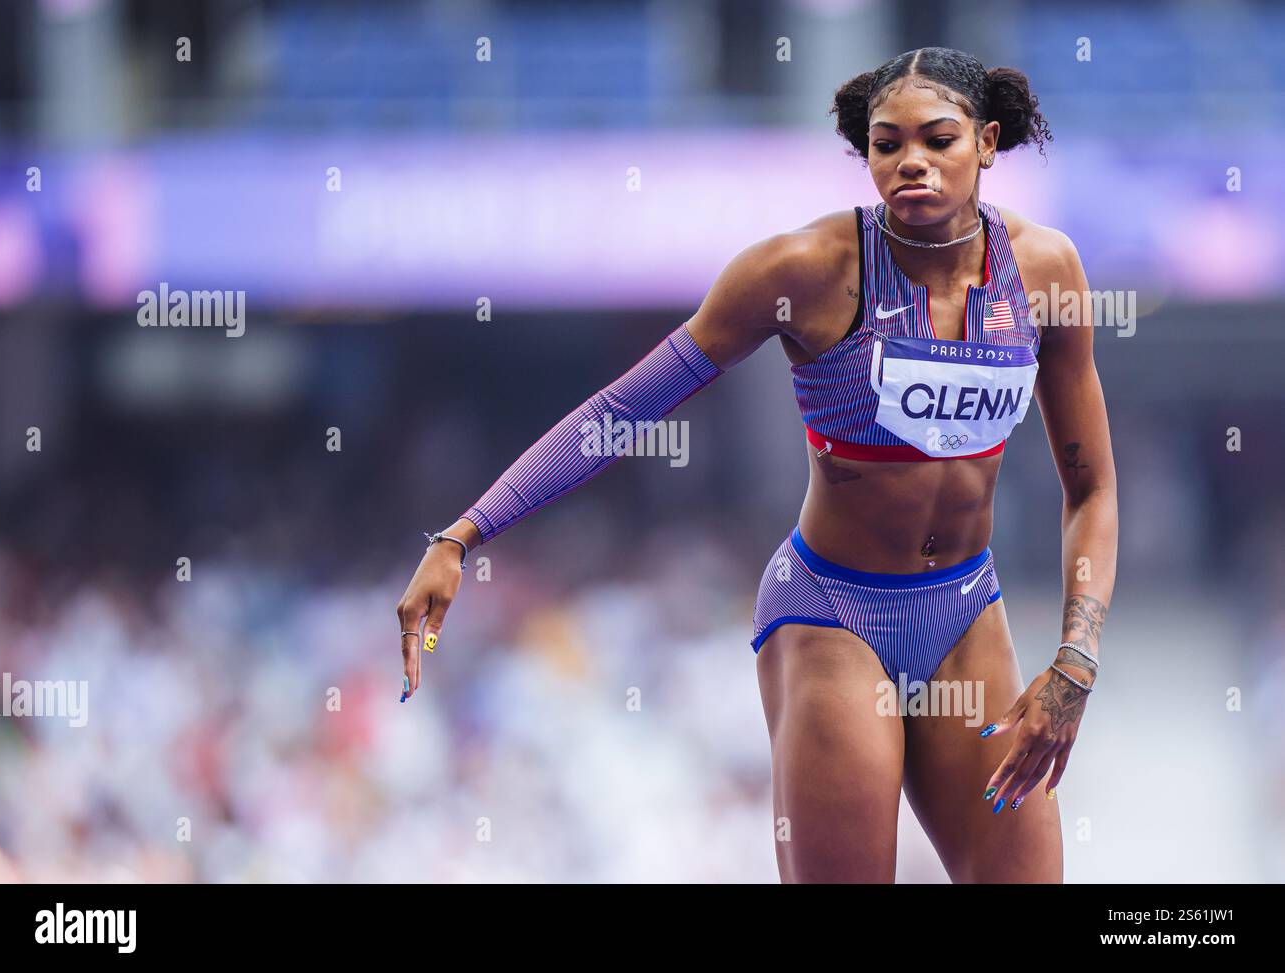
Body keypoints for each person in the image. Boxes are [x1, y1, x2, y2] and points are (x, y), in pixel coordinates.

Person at [396, 47, 1117, 883]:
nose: (910, 161)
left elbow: (1092, 484)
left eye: (938, 139)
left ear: (988, 143)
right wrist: (464, 533)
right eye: (887, 144)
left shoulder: (1045, 272)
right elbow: (623, 408)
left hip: (964, 610)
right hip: (833, 617)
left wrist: (1076, 657)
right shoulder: (804, 271)